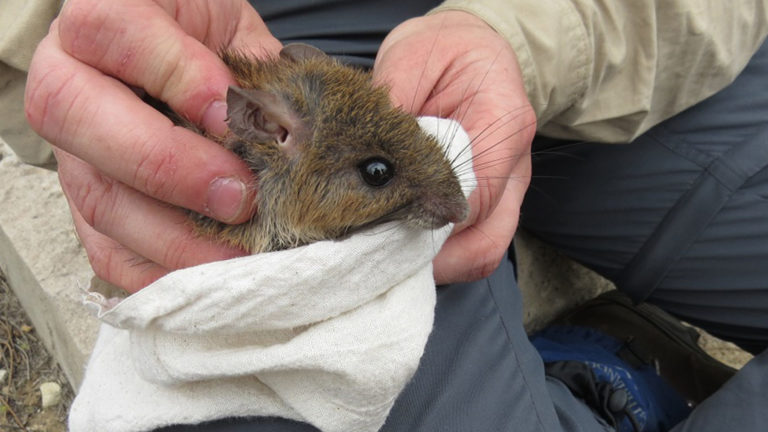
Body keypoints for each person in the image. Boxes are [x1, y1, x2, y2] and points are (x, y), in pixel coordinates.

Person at [10, 0, 768, 430]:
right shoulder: (266, 148)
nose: (452, 207)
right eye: (378, 174)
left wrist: (534, 38)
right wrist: (85, 59)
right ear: (266, 130)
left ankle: (602, 380)